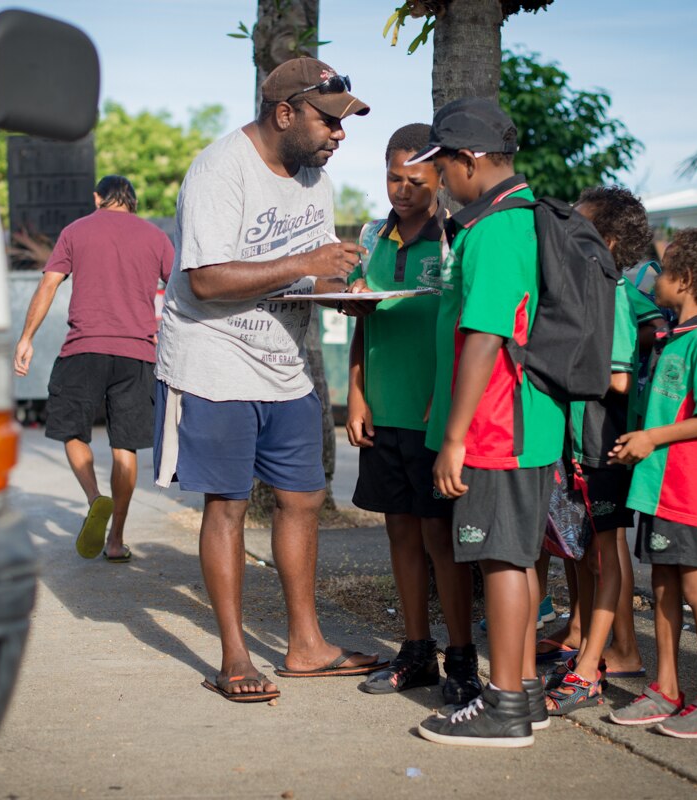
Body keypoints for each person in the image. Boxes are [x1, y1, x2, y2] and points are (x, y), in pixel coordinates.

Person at [152, 57, 384, 703]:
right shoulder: (219, 170)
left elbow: (312, 276)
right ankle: (232, 656)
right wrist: (307, 261)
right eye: (328, 121)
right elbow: (205, 280)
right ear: (285, 112)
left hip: (285, 364)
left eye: (343, 125)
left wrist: (343, 291)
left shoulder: (315, 180)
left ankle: (306, 645)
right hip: (214, 358)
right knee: (226, 506)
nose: (339, 136)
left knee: (303, 498)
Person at [411, 97, 565, 748]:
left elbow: (484, 336)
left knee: (499, 560)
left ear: (468, 160)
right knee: (518, 558)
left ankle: (502, 704)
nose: (438, 179)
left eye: (441, 165)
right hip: (527, 420)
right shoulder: (523, 217)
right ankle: (523, 689)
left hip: (499, 426)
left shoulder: (497, 228)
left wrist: (454, 438)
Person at [345, 123, 479, 705]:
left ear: (440, 177)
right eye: (393, 178)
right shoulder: (374, 236)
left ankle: (463, 658)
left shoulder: (455, 239)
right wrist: (355, 391)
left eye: (415, 180)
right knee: (399, 529)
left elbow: (467, 329)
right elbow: (362, 315)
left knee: (440, 537)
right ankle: (416, 651)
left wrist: (447, 398)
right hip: (382, 410)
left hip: (433, 415)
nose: (402, 190)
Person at [607, 227, 697, 738]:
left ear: (683, 281)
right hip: (656, 487)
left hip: (686, 488)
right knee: (662, 584)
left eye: (663, 271)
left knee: (695, 586)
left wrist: (653, 437)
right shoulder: (675, 339)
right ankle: (666, 688)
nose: (655, 279)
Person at [14, 175, 173, 563]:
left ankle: (93, 498)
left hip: (84, 349)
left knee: (70, 430)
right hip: (137, 353)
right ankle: (116, 539)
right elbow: (180, 294)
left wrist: (26, 338)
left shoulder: (76, 231)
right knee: (126, 445)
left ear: (98, 197)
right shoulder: (156, 238)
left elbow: (49, 285)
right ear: (132, 200)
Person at [540, 186, 652, 715]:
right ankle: (591, 648)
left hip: (602, 443)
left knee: (606, 554)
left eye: (577, 227)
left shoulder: (614, 294)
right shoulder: (582, 290)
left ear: (604, 242)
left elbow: (620, 379)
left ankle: (605, 660)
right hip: (577, 442)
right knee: (585, 551)